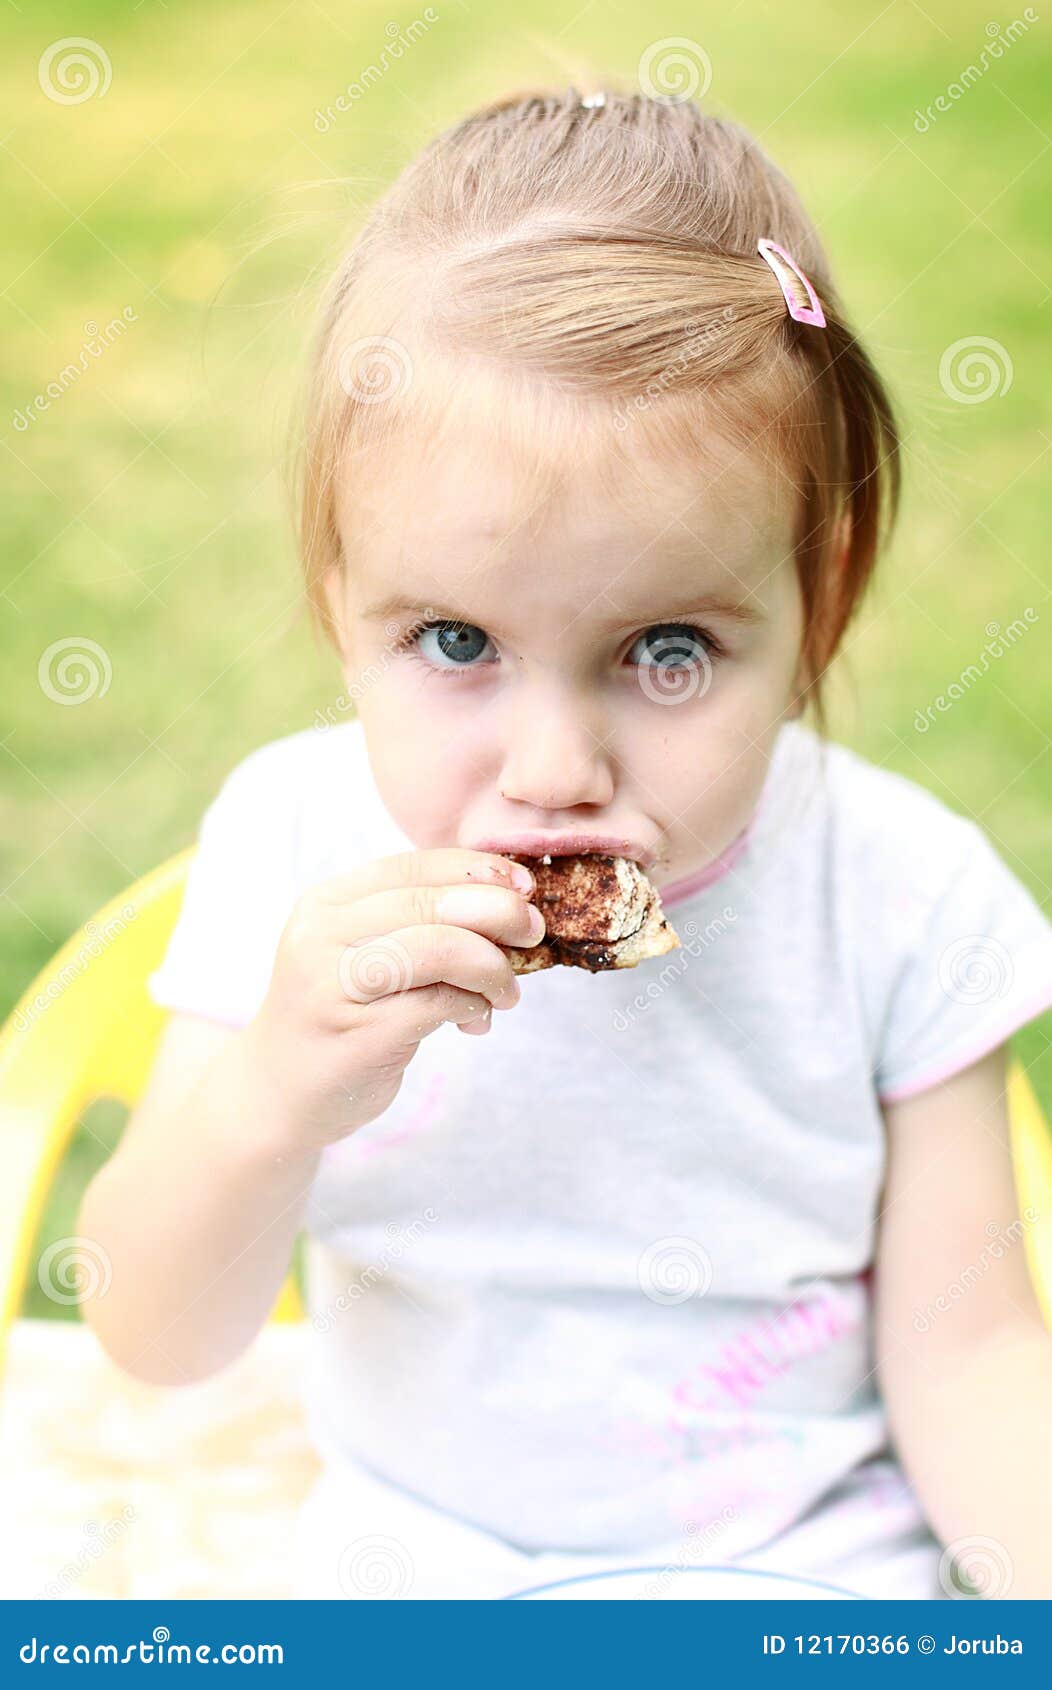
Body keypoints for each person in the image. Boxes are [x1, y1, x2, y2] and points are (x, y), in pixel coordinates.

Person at [77, 88, 1052, 1601]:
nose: (554, 771)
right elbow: (152, 1334)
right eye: (457, 638)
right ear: (343, 604)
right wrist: (270, 1093)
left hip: (799, 1567)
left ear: (822, 603)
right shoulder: (289, 846)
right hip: (406, 1559)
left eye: (666, 646)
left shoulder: (902, 900)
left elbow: (976, 1355)